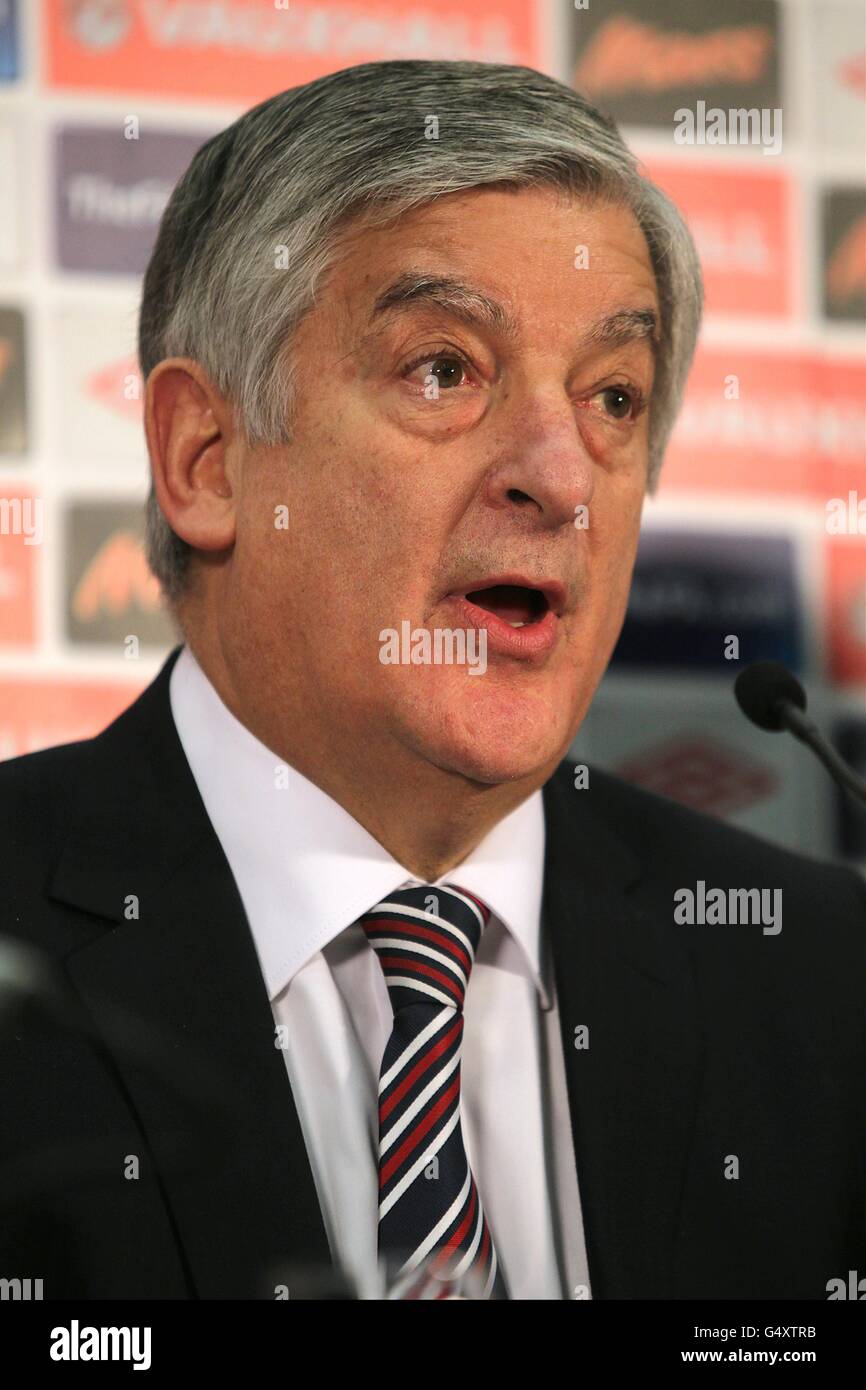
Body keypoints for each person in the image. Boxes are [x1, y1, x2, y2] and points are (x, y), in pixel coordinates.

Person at [1, 60, 863, 1301]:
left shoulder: (820, 977)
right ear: (206, 458)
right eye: (443, 370)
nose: (558, 477)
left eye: (611, 396)